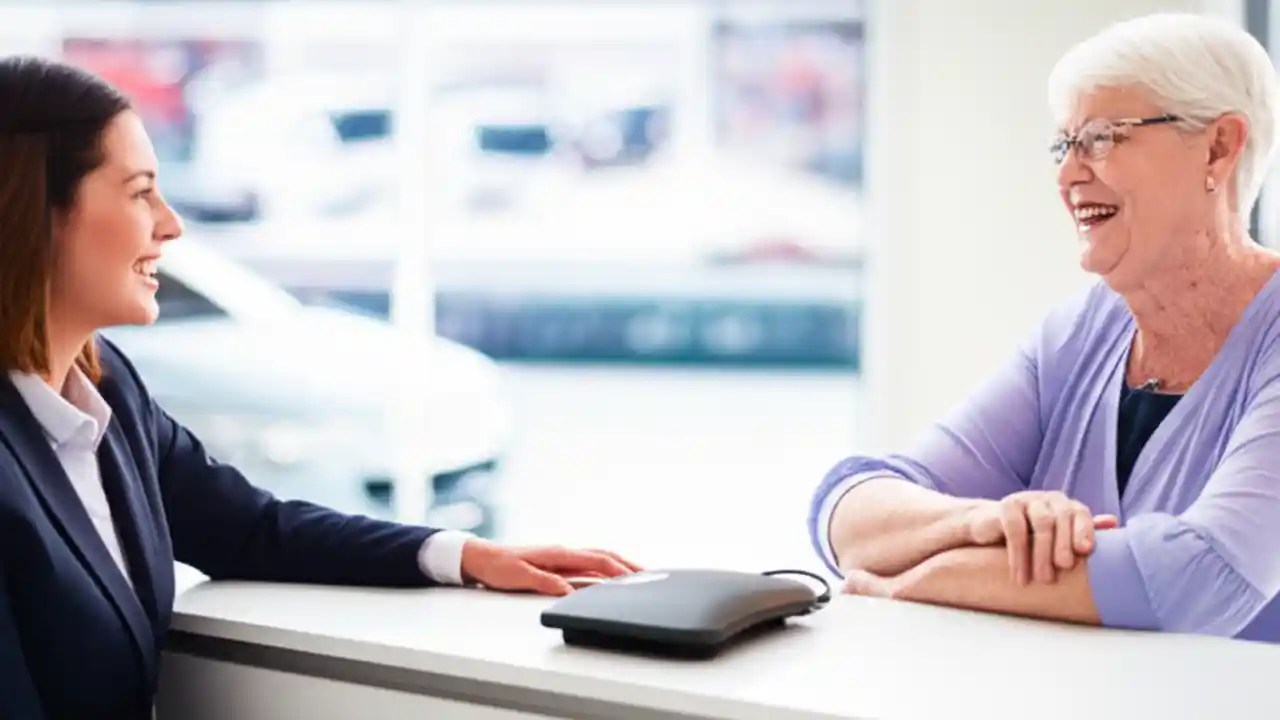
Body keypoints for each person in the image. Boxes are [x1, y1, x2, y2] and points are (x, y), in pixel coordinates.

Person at [0, 56, 640, 718]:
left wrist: (464, 555)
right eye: (140, 193)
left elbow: (250, 528)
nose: (171, 224)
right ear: (34, 213)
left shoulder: (109, 391)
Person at [810, 13, 1280, 642]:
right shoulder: (1079, 334)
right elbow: (848, 509)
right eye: (1064, 146)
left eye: (1102, 138)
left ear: (1218, 147)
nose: (1067, 176)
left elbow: (1201, 577)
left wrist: (911, 584)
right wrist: (982, 522)